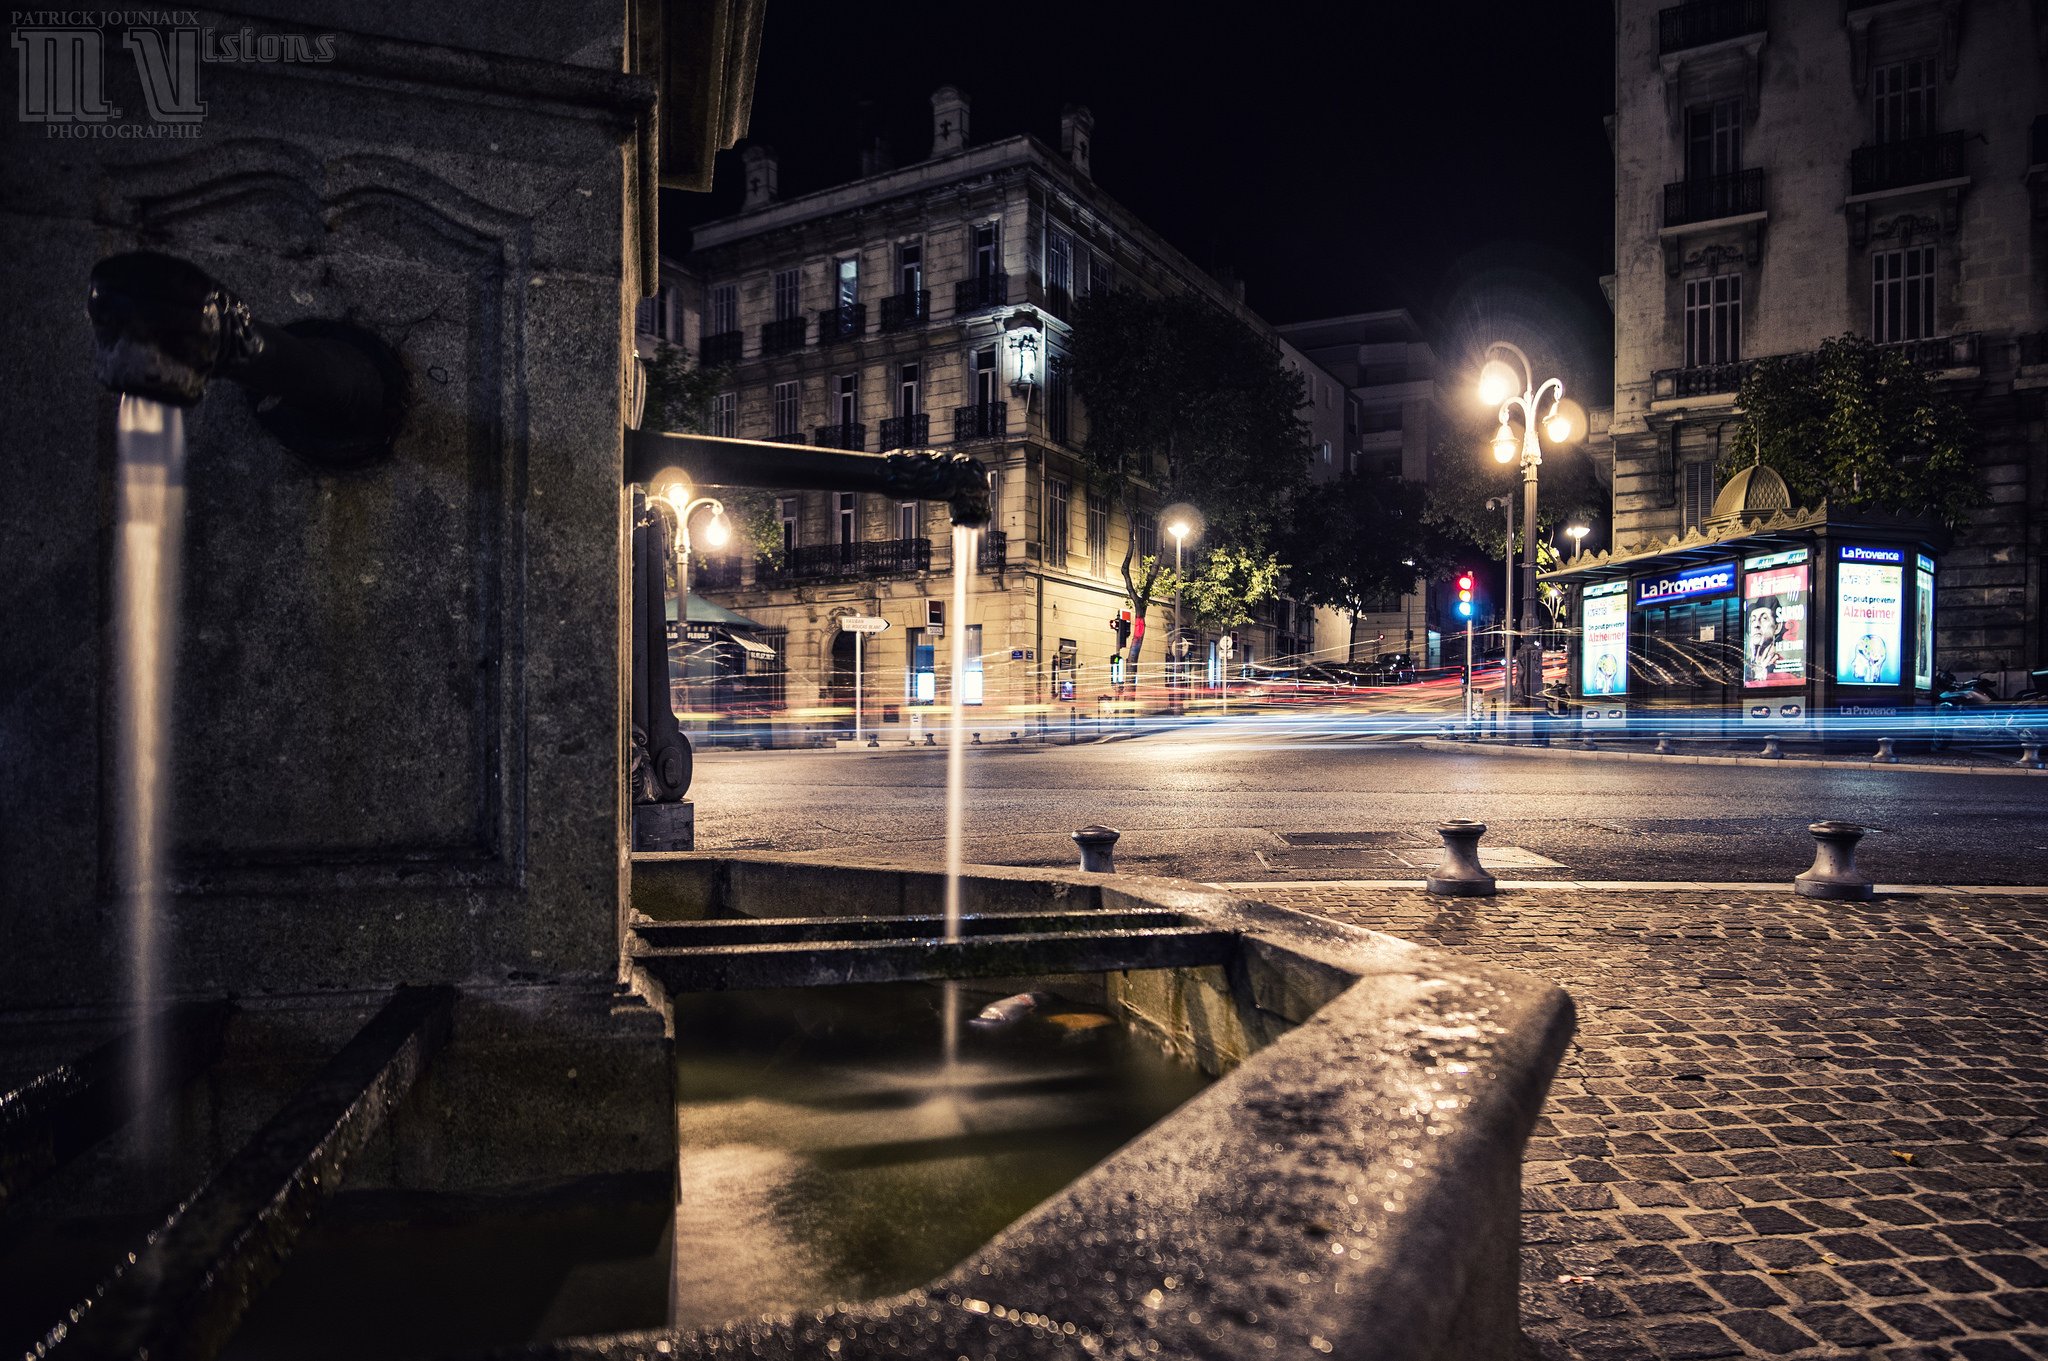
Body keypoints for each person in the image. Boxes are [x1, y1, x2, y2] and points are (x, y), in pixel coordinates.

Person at [1745, 595, 1785, 683]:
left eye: (1764, 618)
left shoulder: (1785, 670)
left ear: (1777, 627)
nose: (1756, 625)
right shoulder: (1743, 668)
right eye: (1753, 620)